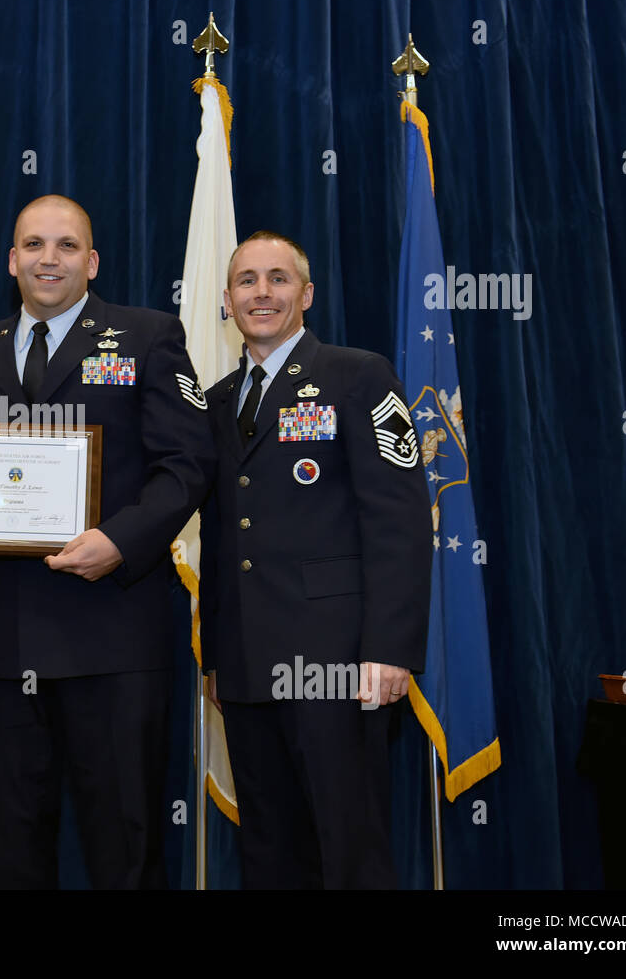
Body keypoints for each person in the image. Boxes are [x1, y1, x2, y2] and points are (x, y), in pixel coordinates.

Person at [0, 194, 215, 888]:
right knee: (7, 847)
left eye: (67, 245)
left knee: (124, 847)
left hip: (112, 633)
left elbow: (189, 464)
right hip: (1, 640)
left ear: (93, 261)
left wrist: (120, 540)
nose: (50, 258)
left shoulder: (147, 336)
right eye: (35, 245)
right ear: (12, 259)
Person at [198, 230, 432, 889]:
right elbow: (221, 534)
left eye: (277, 279)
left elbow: (400, 521)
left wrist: (390, 649)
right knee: (270, 852)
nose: (261, 293)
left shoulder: (359, 375)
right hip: (246, 667)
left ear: (306, 294)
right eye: (247, 281)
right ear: (227, 300)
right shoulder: (218, 401)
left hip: (337, 663)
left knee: (348, 848)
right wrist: (216, 657)